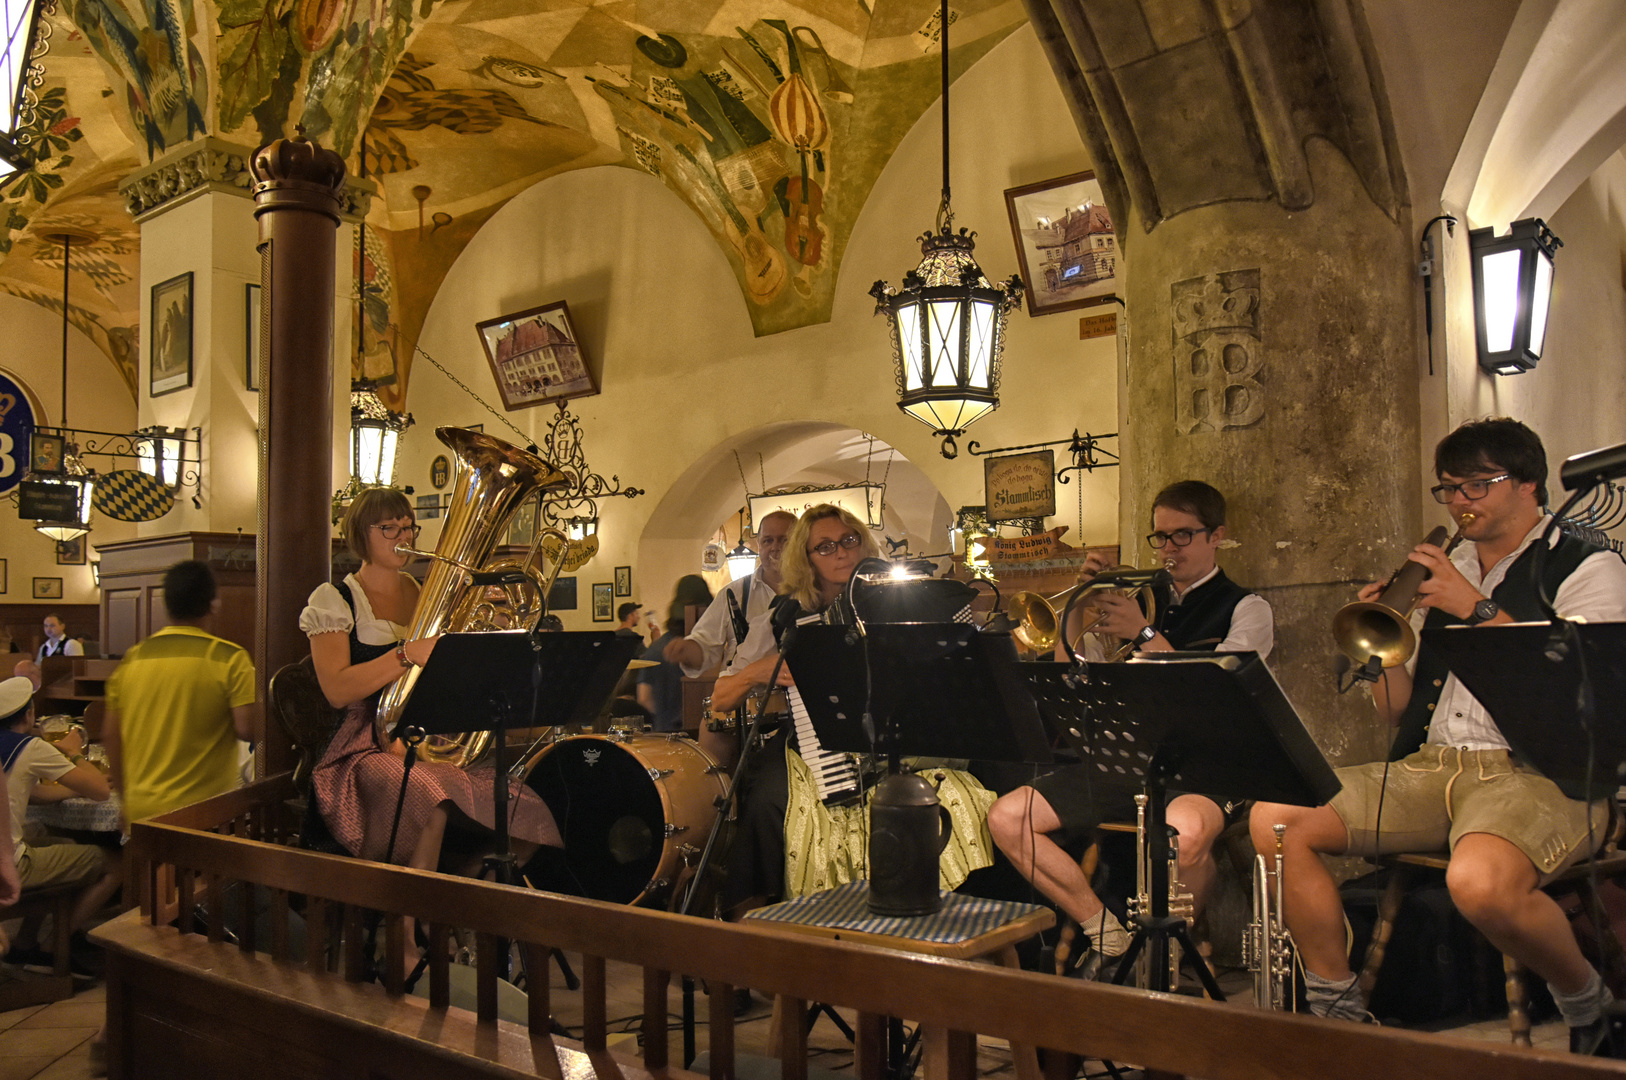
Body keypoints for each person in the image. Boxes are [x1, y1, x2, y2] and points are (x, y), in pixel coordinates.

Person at [1251, 418, 1626, 1051]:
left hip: (1542, 771)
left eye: (1477, 485)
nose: (1458, 503)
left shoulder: (1587, 566)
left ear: (1529, 484)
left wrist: (1474, 607)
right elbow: (1399, 713)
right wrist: (1382, 652)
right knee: (1276, 818)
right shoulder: (1445, 567)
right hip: (1433, 765)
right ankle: (1338, 1012)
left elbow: (1579, 700)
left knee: (1478, 884)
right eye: (1448, 489)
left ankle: (1590, 1005)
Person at [987, 480, 1273, 969]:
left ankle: (1162, 955)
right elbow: (1070, 678)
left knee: (1182, 832)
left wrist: (1143, 633)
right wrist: (1077, 603)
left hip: (1210, 765)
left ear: (1217, 535)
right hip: (1131, 758)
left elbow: (1217, 692)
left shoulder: (1248, 608)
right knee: (1007, 819)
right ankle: (1108, 933)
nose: (1167, 549)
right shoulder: (1138, 597)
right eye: (1160, 537)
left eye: (1182, 536)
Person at [713, 504, 995, 916]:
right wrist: (760, 669)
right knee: (767, 804)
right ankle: (779, 928)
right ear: (805, 560)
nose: (841, 553)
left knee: (963, 793)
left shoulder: (906, 599)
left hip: (906, 748)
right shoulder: (787, 617)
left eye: (848, 541)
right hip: (818, 748)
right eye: (824, 547)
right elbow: (721, 697)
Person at [301, 487, 562, 876]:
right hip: (359, 746)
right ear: (361, 533)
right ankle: (407, 927)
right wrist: (406, 654)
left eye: (408, 528)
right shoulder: (334, 598)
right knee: (428, 799)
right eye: (389, 528)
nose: (404, 538)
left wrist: (490, 640)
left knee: (527, 809)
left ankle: (453, 895)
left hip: (424, 737)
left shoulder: (424, 594)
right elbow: (337, 691)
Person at [102, 561, 255, 825]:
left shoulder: (133, 658)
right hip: (203, 812)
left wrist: (126, 799)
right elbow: (249, 729)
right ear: (214, 604)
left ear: (167, 604)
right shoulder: (229, 658)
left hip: (143, 810)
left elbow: (110, 735)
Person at [0, 676, 122, 975]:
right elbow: (102, 792)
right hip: (11, 865)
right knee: (118, 862)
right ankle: (55, 944)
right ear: (29, 715)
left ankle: (27, 942)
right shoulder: (30, 746)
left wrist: (77, 788)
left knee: (65, 846)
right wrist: (73, 751)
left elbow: (36, 795)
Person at [665, 511, 796, 677]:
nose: (775, 547)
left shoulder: (818, 590)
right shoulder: (734, 592)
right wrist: (687, 650)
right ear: (759, 545)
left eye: (784, 540)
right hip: (748, 695)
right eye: (768, 540)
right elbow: (706, 644)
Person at [637, 575, 712, 733]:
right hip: (702, 736)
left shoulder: (655, 650)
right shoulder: (710, 651)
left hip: (663, 736)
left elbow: (644, 698)